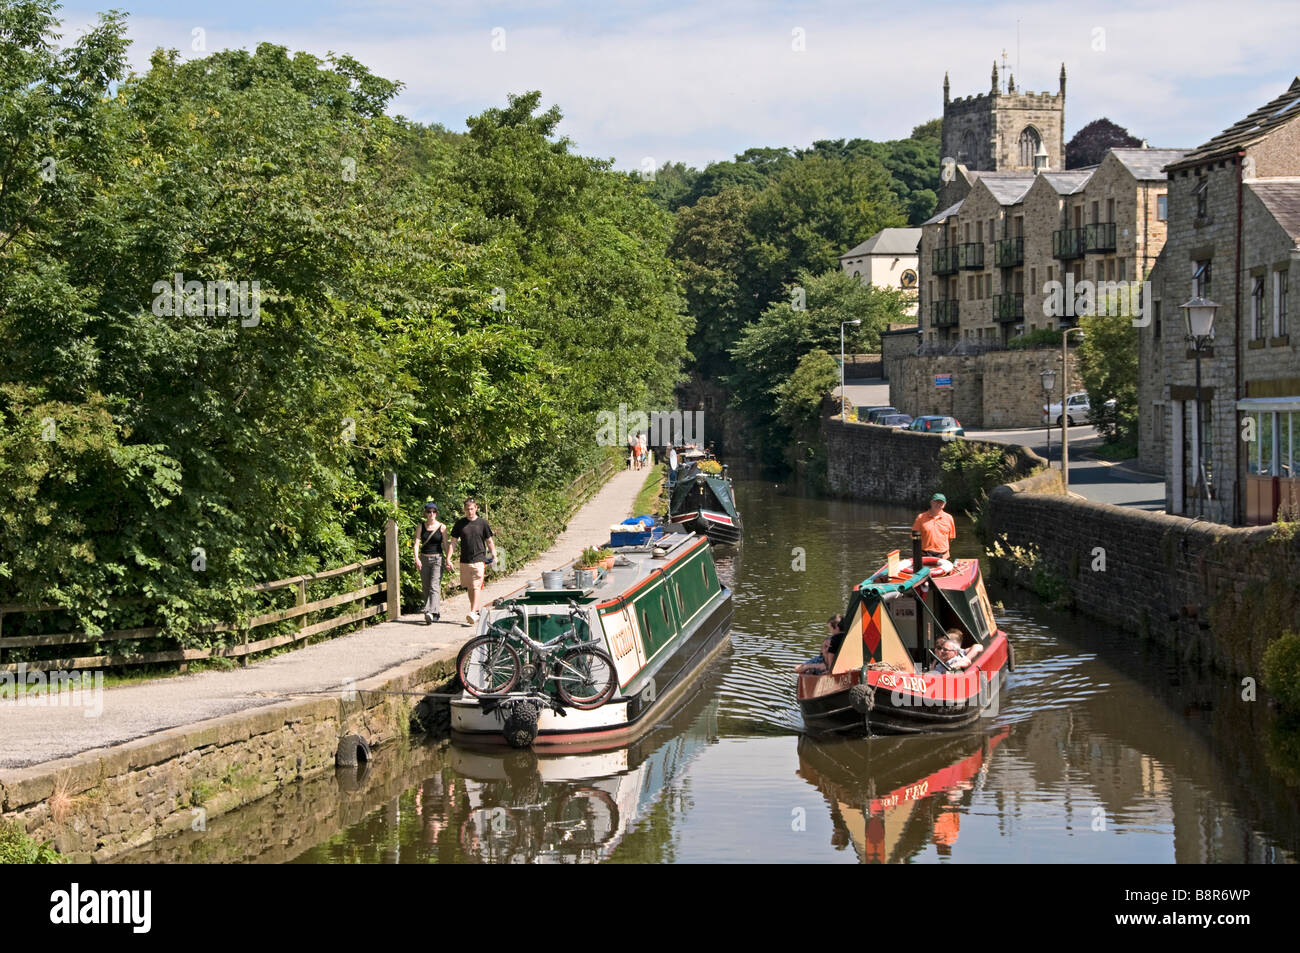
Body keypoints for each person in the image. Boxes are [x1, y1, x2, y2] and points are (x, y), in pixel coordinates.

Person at [449, 497, 497, 626]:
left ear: (476, 508)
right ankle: (475, 611)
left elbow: (489, 541)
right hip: (465, 560)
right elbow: (453, 542)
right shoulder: (460, 524)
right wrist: (448, 558)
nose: (470, 511)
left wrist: (494, 555)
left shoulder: (483, 523)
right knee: (469, 587)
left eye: (472, 508)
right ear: (464, 510)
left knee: (476, 586)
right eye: (467, 509)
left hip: (479, 560)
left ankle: (472, 611)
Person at [414, 502, 447, 625]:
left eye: (433, 511)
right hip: (424, 559)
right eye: (429, 511)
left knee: (434, 585)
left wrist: (448, 559)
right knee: (426, 587)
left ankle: (429, 611)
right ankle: (436, 612)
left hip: (437, 558)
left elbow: (445, 544)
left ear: (437, 513)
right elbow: (417, 543)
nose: (431, 514)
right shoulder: (420, 527)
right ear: (425, 513)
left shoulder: (442, 527)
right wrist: (416, 558)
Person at [913, 492, 957, 559]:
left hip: (943, 555)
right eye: (936, 502)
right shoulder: (921, 517)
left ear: (944, 504)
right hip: (925, 554)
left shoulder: (949, 518)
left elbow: (951, 538)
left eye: (941, 502)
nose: (938, 504)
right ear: (931, 502)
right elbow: (914, 536)